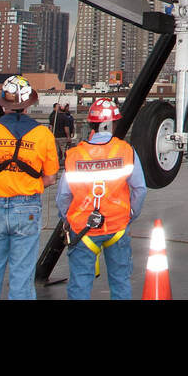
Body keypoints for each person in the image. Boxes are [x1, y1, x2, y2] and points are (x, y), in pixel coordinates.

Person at [0, 75, 59, 299]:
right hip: (27, 208)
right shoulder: (42, 134)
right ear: (28, 104)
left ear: (2, 103)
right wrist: (29, 183)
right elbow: (51, 178)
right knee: (22, 276)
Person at [57, 98, 147, 299]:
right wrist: (129, 215)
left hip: (83, 229)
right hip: (117, 227)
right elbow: (139, 189)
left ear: (92, 125)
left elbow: (63, 195)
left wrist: (68, 220)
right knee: (120, 281)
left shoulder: (75, 154)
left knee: (80, 284)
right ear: (112, 124)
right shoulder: (125, 151)